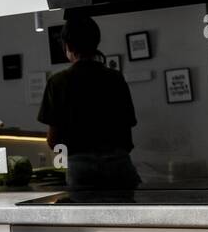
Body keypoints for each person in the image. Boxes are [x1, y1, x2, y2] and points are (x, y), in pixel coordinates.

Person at [37, 15, 141, 190]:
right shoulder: (115, 78)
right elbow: (126, 132)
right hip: (118, 165)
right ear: (96, 43)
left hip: (80, 168)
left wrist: (63, 161)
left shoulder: (58, 82)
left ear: (67, 46)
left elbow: (53, 140)